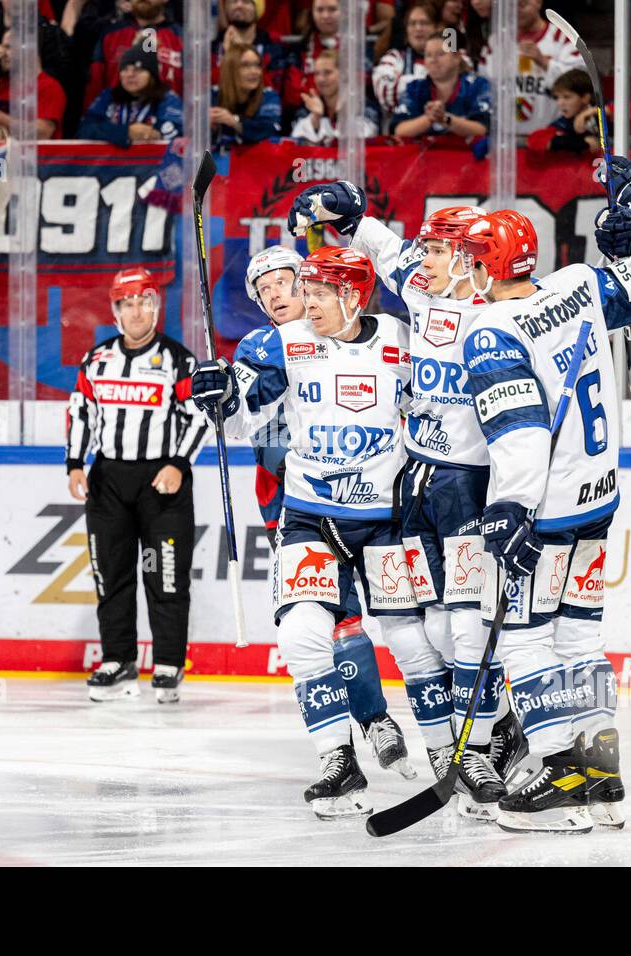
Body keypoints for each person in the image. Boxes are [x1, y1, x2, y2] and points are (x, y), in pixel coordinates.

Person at [190, 248, 459, 819]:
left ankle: (447, 759)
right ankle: (338, 762)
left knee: (413, 639)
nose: (302, 302)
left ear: (353, 296)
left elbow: (440, 410)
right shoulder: (278, 345)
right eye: (299, 292)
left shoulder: (400, 339)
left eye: (314, 292)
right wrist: (218, 394)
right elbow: (242, 415)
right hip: (311, 516)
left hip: (387, 521)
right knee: (302, 635)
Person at [288, 184, 529, 815]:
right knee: (420, 628)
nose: (420, 256)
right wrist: (351, 214)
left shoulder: (500, 314)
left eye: (436, 248)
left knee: (462, 630)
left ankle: (487, 737)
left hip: (472, 488)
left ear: (469, 257)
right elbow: (383, 248)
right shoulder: (421, 291)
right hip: (417, 485)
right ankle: (479, 737)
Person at [458, 157, 631, 833]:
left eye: (472, 261)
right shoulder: (580, 283)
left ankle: (558, 767)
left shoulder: (489, 331)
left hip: (547, 509)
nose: (466, 272)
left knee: (524, 639)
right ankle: (600, 768)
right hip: (599, 499)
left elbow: (521, 429)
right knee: (580, 633)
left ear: (486, 268)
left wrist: (510, 512)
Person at [236, 246, 414, 780]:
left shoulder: (362, 338)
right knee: (326, 621)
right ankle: (365, 727)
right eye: (263, 291)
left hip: (373, 504)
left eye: (284, 283)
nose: (276, 296)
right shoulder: (266, 347)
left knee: (374, 620)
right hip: (293, 503)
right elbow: (258, 434)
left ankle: (380, 719)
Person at [67, 268, 210, 705]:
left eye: (142, 301)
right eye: (125, 302)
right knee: (110, 575)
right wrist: (75, 464)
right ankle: (119, 659)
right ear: (115, 310)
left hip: (162, 482)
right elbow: (81, 411)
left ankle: (168, 663)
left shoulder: (178, 360)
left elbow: (199, 416)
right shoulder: (97, 360)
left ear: (155, 306)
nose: (134, 310)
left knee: (165, 575)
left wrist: (178, 464)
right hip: (108, 479)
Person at [466, 0, 584, 135]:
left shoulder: (562, 37)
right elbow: (483, 86)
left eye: (522, 5)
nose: (516, 11)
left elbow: (581, 82)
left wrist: (545, 63)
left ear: (538, 3)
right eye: (512, 6)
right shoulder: (496, 41)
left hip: (551, 138)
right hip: (505, 139)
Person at [391, 31, 490, 144]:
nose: (433, 60)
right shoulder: (415, 88)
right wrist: (430, 118)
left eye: (440, 54)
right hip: (425, 158)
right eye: (428, 55)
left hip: (468, 157)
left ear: (456, 57)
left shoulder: (478, 86)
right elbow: (399, 130)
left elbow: (482, 129)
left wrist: (445, 119)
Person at [83, 0, 183, 108]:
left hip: (169, 120)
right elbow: (94, 88)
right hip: (116, 120)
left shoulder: (184, 39)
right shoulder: (109, 35)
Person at [76, 45, 183, 145]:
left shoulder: (167, 98)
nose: (130, 75)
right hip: (114, 163)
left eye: (138, 70)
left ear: (152, 75)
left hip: (154, 163)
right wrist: (125, 132)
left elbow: (178, 131)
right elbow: (84, 130)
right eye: (125, 69)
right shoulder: (109, 96)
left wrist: (154, 134)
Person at [0, 26, 69, 139]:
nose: (2, 53)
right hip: (0, 155)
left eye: (9, 47)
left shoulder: (50, 88)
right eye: (2, 47)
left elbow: (42, 133)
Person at [290, 49, 379, 144]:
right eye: (316, 74)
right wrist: (315, 118)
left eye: (327, 73)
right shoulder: (307, 107)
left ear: (343, 74)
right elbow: (295, 144)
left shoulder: (363, 104)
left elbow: (368, 135)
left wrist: (343, 114)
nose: (321, 79)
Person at [371, 1, 439, 119]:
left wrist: (405, 85)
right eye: (412, 24)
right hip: (405, 129)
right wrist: (436, 85)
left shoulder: (454, 55)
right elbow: (385, 92)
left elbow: (460, 92)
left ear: (436, 28)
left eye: (424, 23)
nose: (418, 28)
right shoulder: (393, 58)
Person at [211, 45, 282, 148]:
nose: (254, 71)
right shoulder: (213, 95)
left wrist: (235, 122)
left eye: (257, 65)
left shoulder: (269, 97)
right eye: (245, 65)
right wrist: (207, 125)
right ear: (230, 69)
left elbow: (268, 129)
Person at [212, 0, 288, 91]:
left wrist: (240, 53)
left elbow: (274, 88)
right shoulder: (214, 47)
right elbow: (205, 86)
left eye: (246, 1)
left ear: (257, 9)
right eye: (233, 1)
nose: (239, 5)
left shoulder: (272, 46)